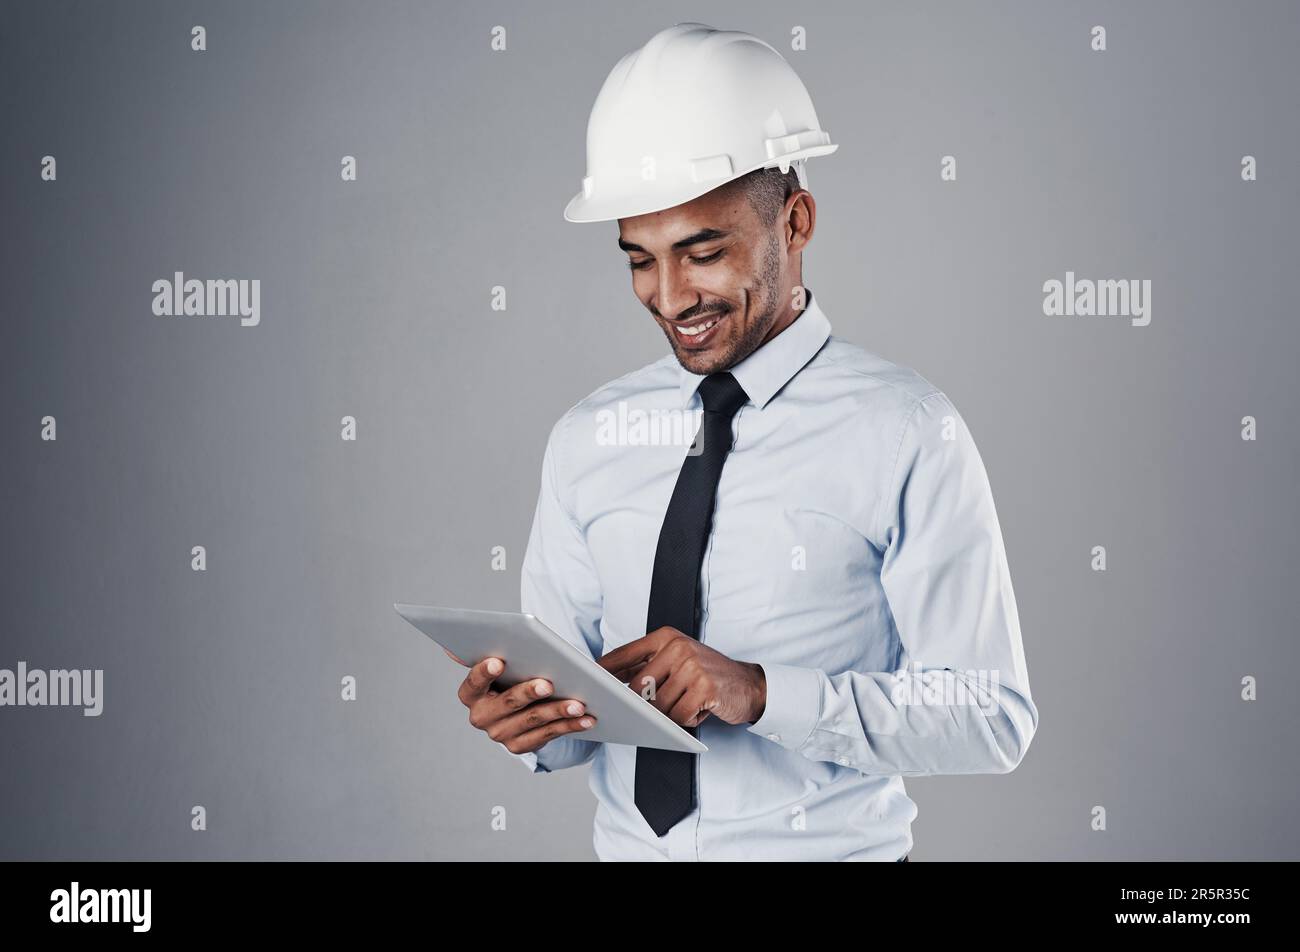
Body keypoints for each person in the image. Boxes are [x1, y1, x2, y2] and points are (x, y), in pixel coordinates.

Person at [449, 22, 1038, 861]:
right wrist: (533, 719)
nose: (669, 296)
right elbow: (579, 722)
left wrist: (760, 694)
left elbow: (991, 718)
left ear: (794, 221)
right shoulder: (588, 439)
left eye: (703, 251)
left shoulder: (907, 431)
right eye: (638, 261)